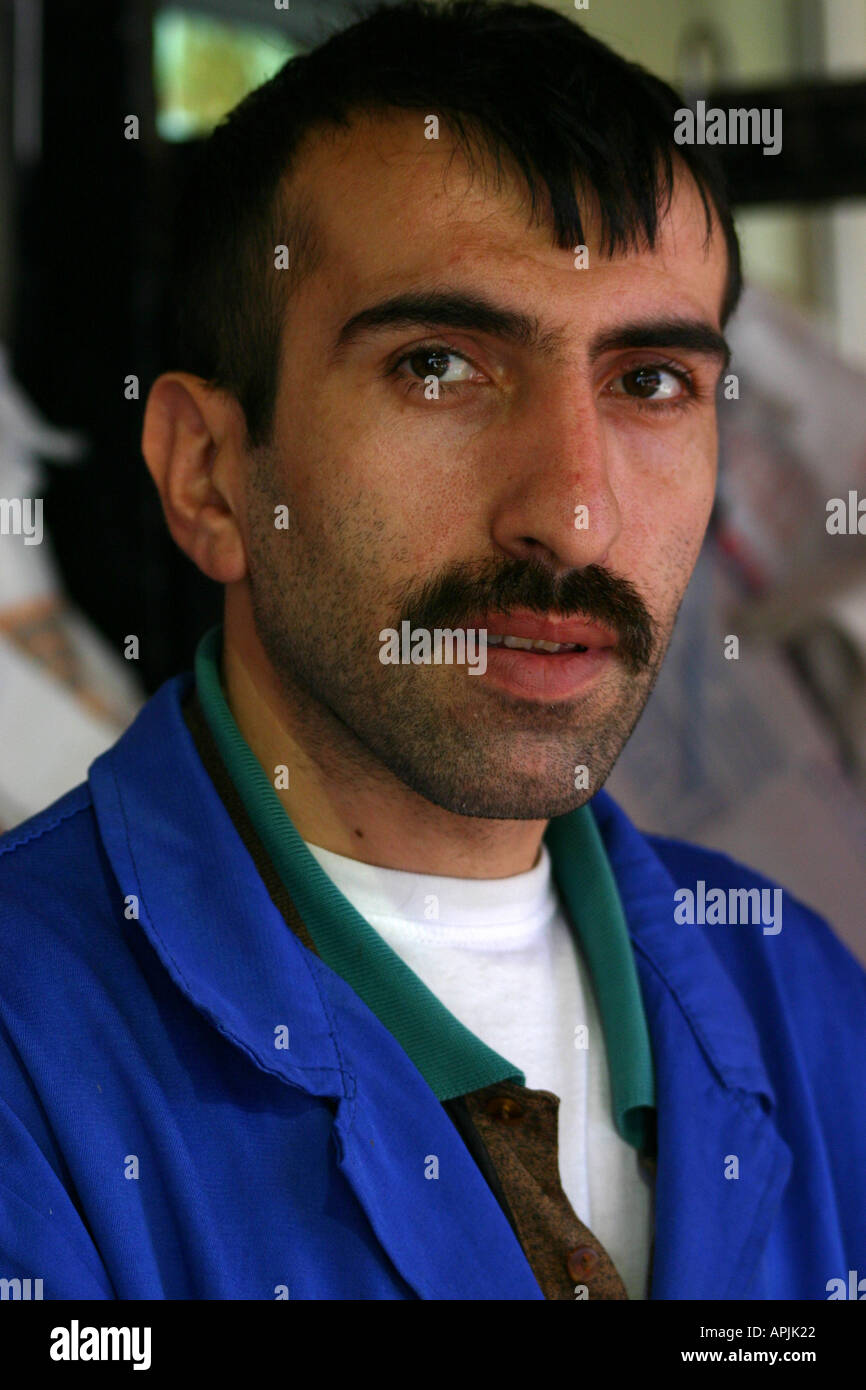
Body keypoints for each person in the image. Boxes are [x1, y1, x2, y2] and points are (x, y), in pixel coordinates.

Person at [0, 0, 863, 1302]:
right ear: (212, 476)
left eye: (648, 383)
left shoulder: (795, 988)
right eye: (440, 365)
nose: (572, 513)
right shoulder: (31, 1048)